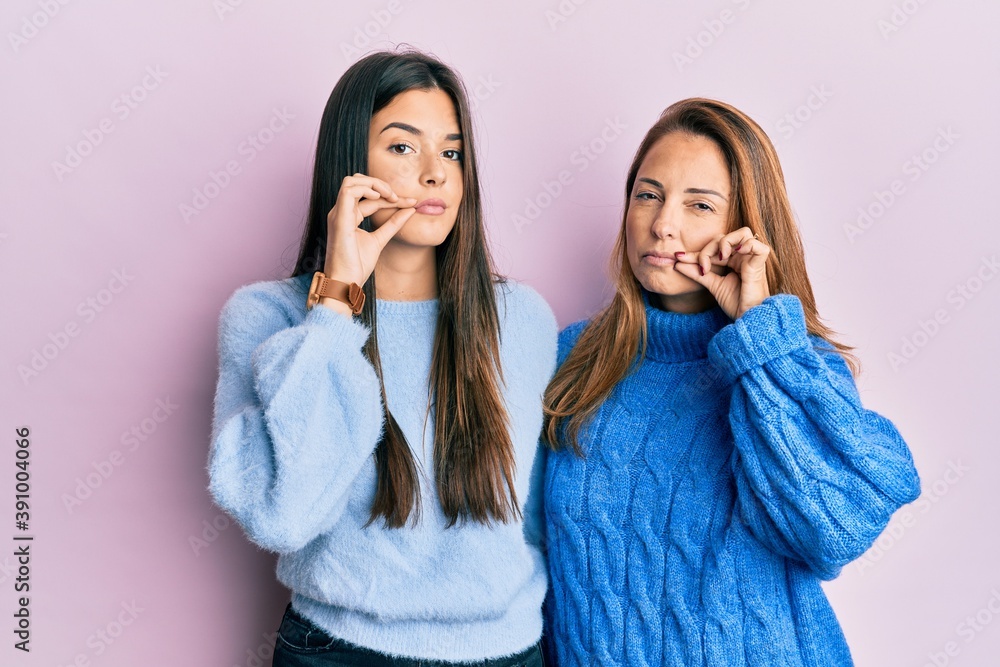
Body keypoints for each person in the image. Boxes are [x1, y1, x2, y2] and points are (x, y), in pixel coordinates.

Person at [541, 98, 921, 666]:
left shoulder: (790, 363)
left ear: (743, 225)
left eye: (700, 205)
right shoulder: (573, 358)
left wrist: (757, 335)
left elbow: (833, 532)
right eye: (648, 194)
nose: (663, 223)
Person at [207, 49, 555, 666]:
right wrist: (336, 301)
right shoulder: (269, 319)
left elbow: (535, 522)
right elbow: (285, 518)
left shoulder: (521, 320)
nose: (435, 174)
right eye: (402, 147)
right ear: (350, 164)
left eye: (451, 151)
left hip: (506, 651)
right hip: (338, 652)